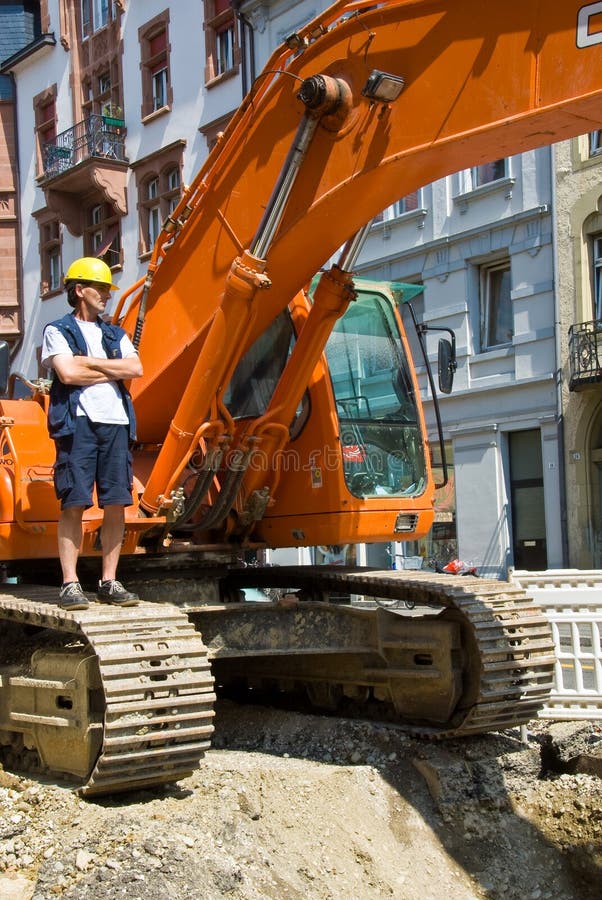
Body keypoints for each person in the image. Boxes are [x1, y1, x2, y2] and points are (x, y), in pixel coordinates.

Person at [41, 257, 143, 611]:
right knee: (75, 502)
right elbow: (67, 375)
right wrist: (111, 370)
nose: (106, 296)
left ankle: (109, 581)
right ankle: (70, 584)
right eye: (100, 289)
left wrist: (90, 362)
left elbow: (136, 367)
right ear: (80, 290)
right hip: (77, 425)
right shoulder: (57, 330)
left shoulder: (115, 333)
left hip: (116, 423)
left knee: (116, 504)